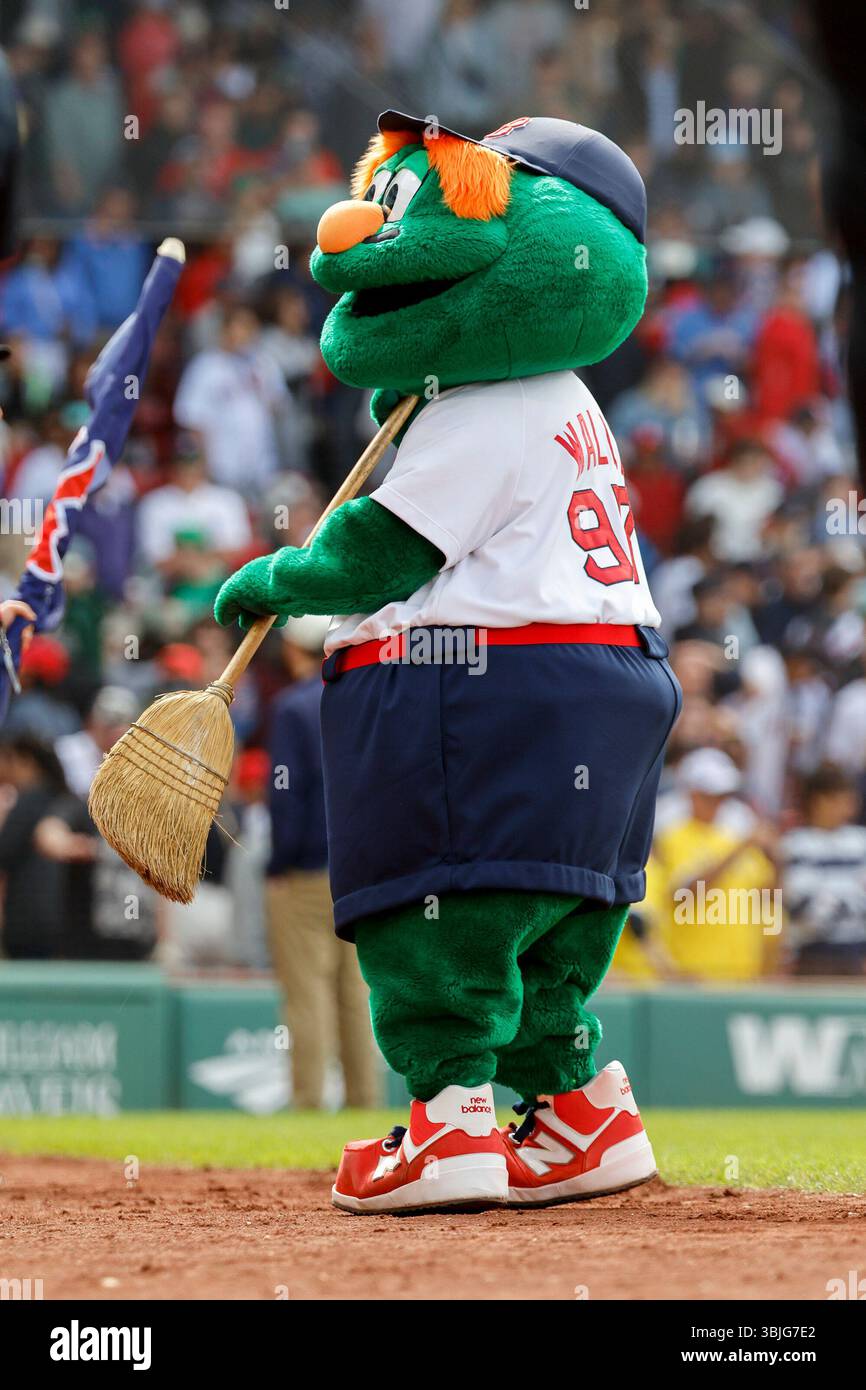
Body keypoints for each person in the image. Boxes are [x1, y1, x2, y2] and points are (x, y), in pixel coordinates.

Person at [265, 614, 380, 1109]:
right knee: (356, 997)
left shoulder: (292, 708)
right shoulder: (366, 698)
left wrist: (280, 863)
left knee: (307, 992)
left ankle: (309, 1102)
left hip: (308, 870)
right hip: (365, 870)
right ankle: (364, 1102)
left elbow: (285, 797)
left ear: (294, 649)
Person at [780, 765, 866, 975]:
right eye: (839, 801)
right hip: (811, 957)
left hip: (857, 957)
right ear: (818, 801)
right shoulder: (794, 844)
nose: (848, 809)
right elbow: (801, 905)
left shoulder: (861, 842)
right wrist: (850, 901)